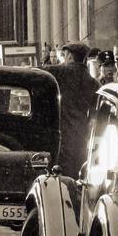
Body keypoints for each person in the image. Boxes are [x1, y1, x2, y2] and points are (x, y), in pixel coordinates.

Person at [42, 42, 98, 177]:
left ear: (70, 57)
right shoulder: (93, 82)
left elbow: (36, 72)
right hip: (82, 138)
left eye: (64, 55)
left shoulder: (61, 72)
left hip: (63, 135)